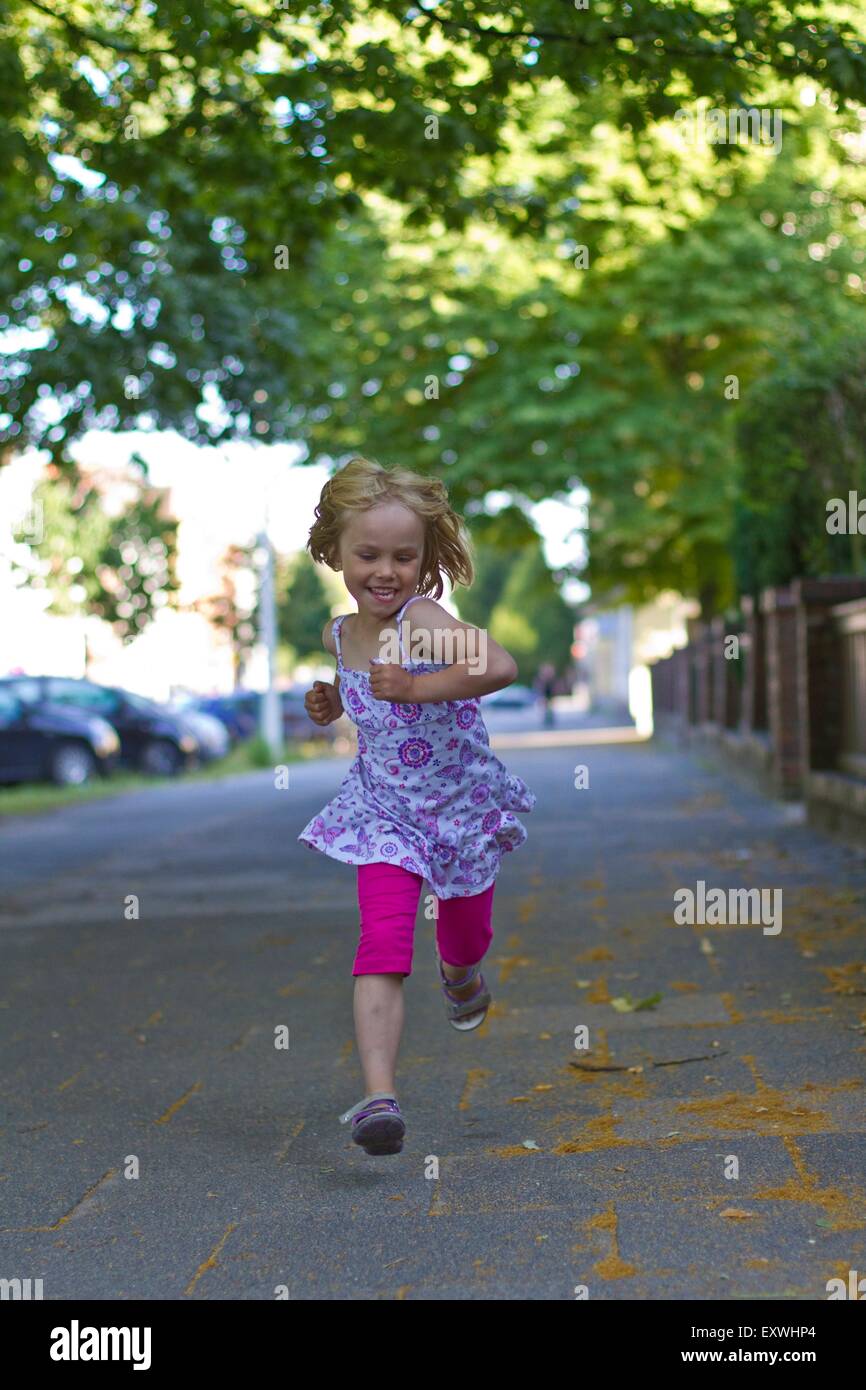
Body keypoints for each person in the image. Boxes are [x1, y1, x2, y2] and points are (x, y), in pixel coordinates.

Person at [297, 456, 537, 1156]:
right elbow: (364, 695)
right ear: (333, 551)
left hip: (458, 809)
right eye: (367, 554)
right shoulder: (338, 635)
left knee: (462, 939)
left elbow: (499, 666)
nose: (386, 571)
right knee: (382, 944)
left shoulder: (423, 619)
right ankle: (380, 1097)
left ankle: (461, 973)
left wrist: (415, 689)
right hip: (384, 814)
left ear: (425, 560)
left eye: (405, 556)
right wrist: (333, 700)